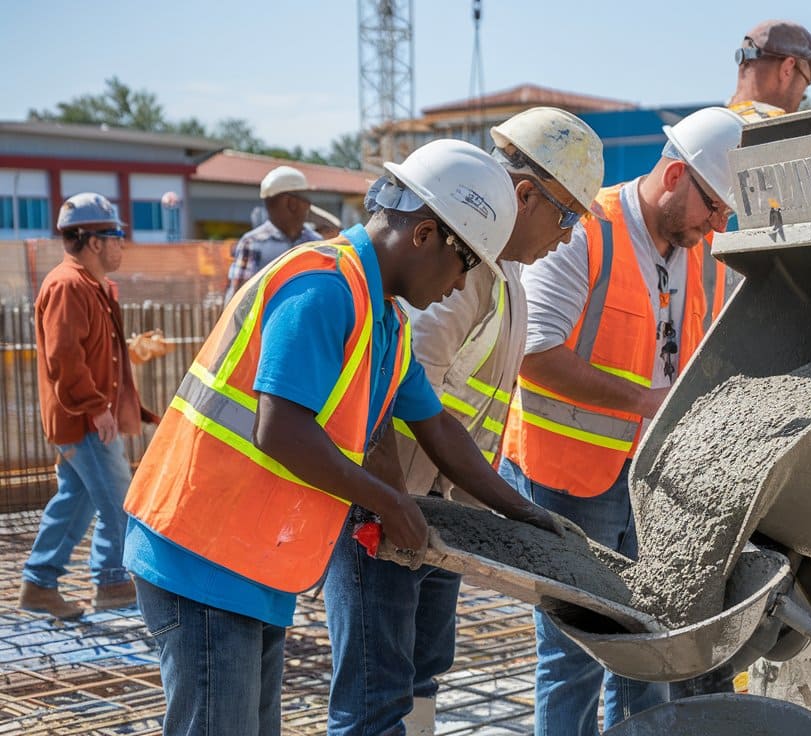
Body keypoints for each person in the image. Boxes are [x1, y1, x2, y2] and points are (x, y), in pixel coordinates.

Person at [122, 139, 571, 735]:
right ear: (425, 236)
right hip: (200, 554)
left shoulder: (382, 318)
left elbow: (435, 425)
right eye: (465, 266)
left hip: (251, 561)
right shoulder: (323, 287)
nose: (460, 286)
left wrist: (522, 511)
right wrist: (392, 502)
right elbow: (282, 430)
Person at [323, 108, 605, 736]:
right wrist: (390, 506)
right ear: (525, 194)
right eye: (567, 218)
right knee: (375, 692)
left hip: (436, 508)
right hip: (386, 508)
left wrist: (511, 509)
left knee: (420, 669)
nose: (567, 238)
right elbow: (388, 393)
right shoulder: (451, 272)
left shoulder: (503, 279)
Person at [497, 106, 744, 736]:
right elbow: (534, 355)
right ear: (675, 176)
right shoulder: (585, 229)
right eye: (712, 206)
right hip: (569, 478)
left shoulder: (705, 248)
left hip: (654, 477)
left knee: (645, 645)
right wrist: (645, 403)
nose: (718, 224)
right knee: (576, 654)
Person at [17, 193, 158, 620]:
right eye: (116, 235)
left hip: (89, 418)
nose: (121, 244)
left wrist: (134, 403)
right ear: (93, 241)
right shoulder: (67, 285)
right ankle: (113, 580)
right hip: (85, 422)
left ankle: (39, 583)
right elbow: (64, 357)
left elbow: (97, 354)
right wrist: (96, 407)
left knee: (75, 501)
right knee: (119, 502)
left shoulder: (93, 286)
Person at [224, 165, 320, 301]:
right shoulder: (252, 244)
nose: (309, 205)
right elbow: (236, 302)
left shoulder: (315, 243)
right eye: (305, 198)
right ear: (291, 203)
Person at [728, 19, 811, 121]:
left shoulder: (716, 121)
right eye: (804, 90)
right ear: (787, 69)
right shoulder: (783, 133)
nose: (800, 99)